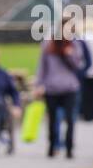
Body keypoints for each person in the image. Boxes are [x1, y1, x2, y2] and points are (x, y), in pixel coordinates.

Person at [33, 13, 83, 159]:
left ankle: (69, 148)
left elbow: (77, 66)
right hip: (52, 88)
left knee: (70, 119)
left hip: (69, 88)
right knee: (53, 119)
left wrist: (69, 54)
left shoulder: (74, 45)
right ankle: (52, 146)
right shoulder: (48, 44)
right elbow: (42, 66)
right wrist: (39, 84)